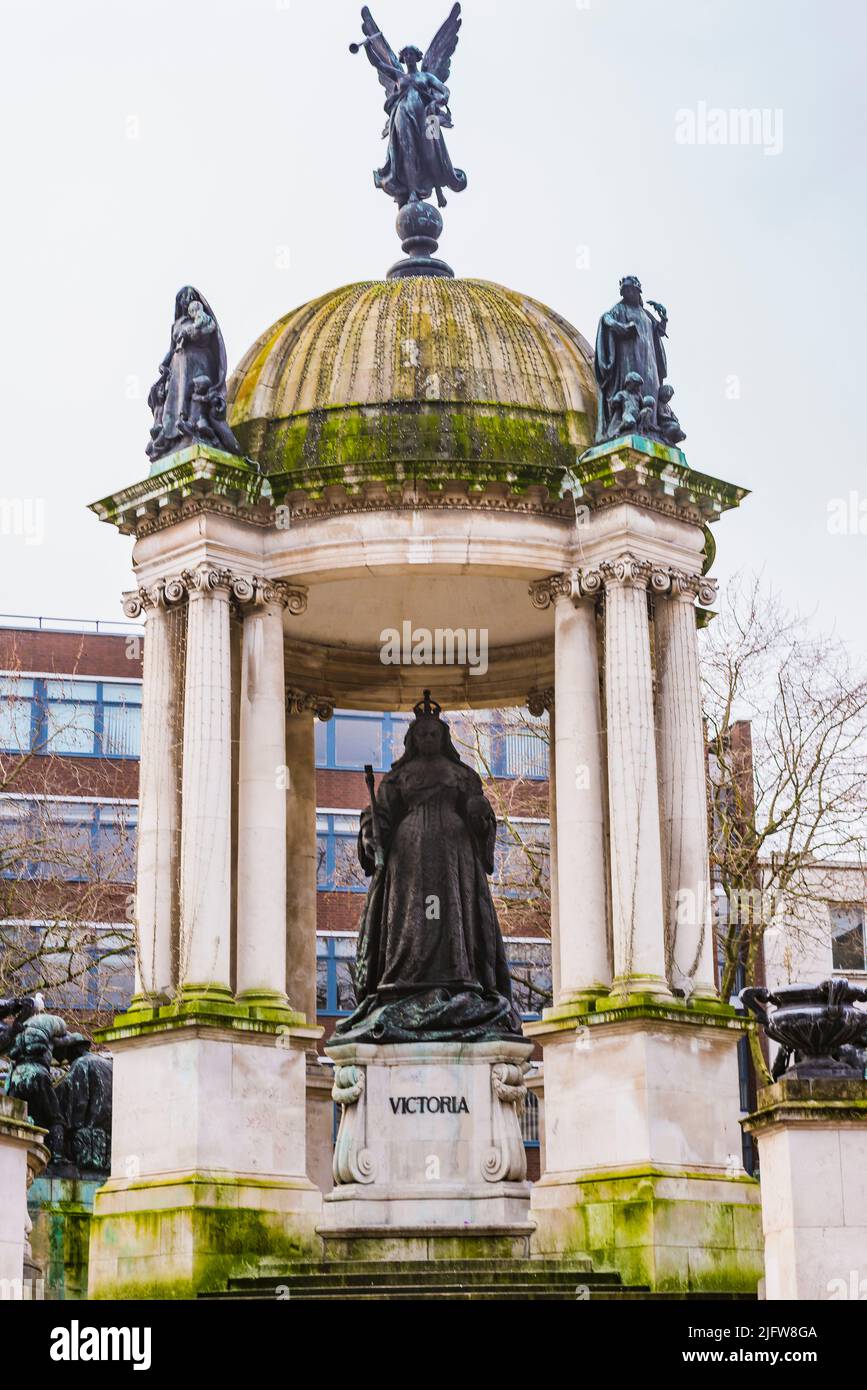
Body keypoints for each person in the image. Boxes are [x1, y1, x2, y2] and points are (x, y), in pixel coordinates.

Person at [336, 692, 522, 1043]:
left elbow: (479, 816)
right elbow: (379, 815)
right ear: (412, 739)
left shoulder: (462, 774)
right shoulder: (397, 778)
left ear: (443, 737)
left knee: (453, 914)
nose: (427, 739)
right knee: (411, 918)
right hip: (409, 859)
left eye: (434, 733)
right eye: (421, 734)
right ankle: (405, 979)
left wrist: (481, 816)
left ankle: (458, 975)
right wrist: (370, 833)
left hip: (455, 858)